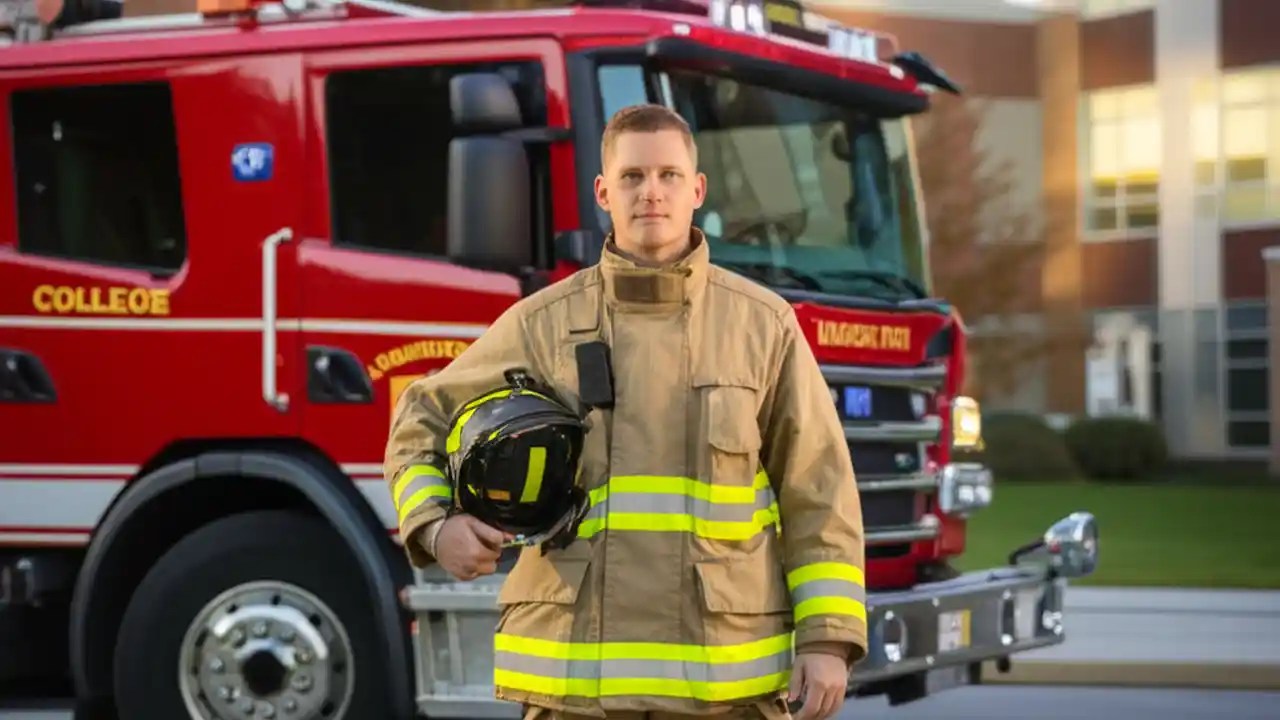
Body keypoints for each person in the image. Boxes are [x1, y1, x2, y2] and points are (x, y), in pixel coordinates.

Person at [385, 103, 866, 720]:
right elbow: (418, 418)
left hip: (725, 689)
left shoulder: (763, 326)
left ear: (697, 191)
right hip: (577, 688)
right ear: (603, 192)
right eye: (633, 177)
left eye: (668, 176)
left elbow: (818, 487)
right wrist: (435, 524)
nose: (651, 194)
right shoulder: (543, 322)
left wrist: (827, 638)